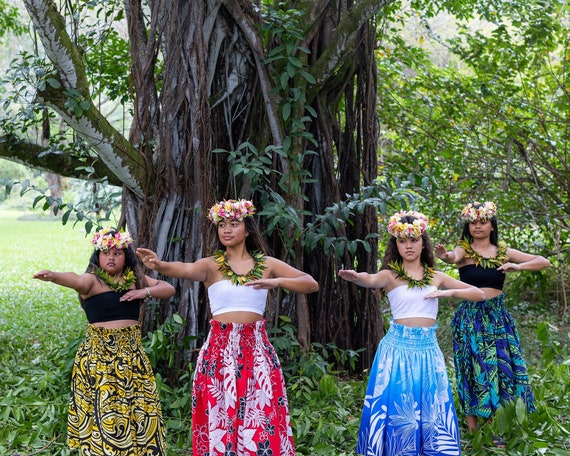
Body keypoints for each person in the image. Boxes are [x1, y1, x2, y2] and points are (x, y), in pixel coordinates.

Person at [136, 199, 319, 456]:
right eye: (222, 224)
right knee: (221, 415)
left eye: (234, 223)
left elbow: (310, 283)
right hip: (219, 350)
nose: (227, 229)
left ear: (248, 229)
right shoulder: (211, 265)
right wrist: (160, 266)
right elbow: (186, 269)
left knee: (261, 416)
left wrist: (276, 282)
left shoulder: (266, 264)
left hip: (256, 350)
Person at [339, 210, 485, 456]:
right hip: (396, 349)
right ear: (395, 244)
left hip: (428, 349)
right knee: (399, 406)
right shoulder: (390, 275)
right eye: (402, 241)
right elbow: (370, 279)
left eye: (413, 240)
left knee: (432, 407)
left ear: (423, 242)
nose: (408, 245)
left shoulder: (436, 277)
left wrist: (448, 292)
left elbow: (478, 294)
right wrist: (356, 277)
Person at [33, 227, 175, 455]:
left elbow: (168, 288)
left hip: (130, 358)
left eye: (117, 253)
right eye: (106, 252)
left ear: (126, 257)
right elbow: (75, 279)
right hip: (99, 359)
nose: (111, 257)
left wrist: (143, 292)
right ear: (98, 256)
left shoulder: (136, 280)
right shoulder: (92, 281)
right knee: (105, 411)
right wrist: (55, 276)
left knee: (135, 407)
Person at [435, 201, 551, 434]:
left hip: (497, 318)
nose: (477, 226)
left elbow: (543, 261)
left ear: (491, 225)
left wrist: (517, 268)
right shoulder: (463, 251)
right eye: (473, 222)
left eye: (482, 222)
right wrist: (444, 255)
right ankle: (472, 429)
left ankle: (495, 423)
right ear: (468, 226)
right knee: (471, 367)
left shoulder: (503, 252)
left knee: (498, 367)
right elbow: (450, 256)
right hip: (470, 318)